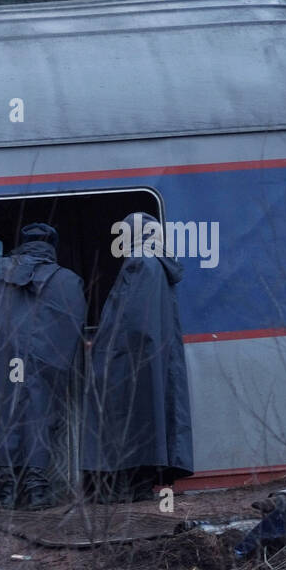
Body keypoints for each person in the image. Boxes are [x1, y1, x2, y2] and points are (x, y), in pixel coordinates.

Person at [0, 223, 86, 510]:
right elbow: (72, 326)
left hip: (1, 360)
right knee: (40, 417)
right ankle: (36, 490)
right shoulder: (67, 280)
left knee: (0, 414)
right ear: (52, 247)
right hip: (43, 361)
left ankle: (4, 491)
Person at [82, 212, 193, 501]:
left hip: (133, 358)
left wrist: (103, 346)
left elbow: (127, 318)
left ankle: (125, 487)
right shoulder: (158, 264)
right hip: (153, 357)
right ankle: (141, 484)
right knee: (150, 418)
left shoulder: (139, 262)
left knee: (123, 417)